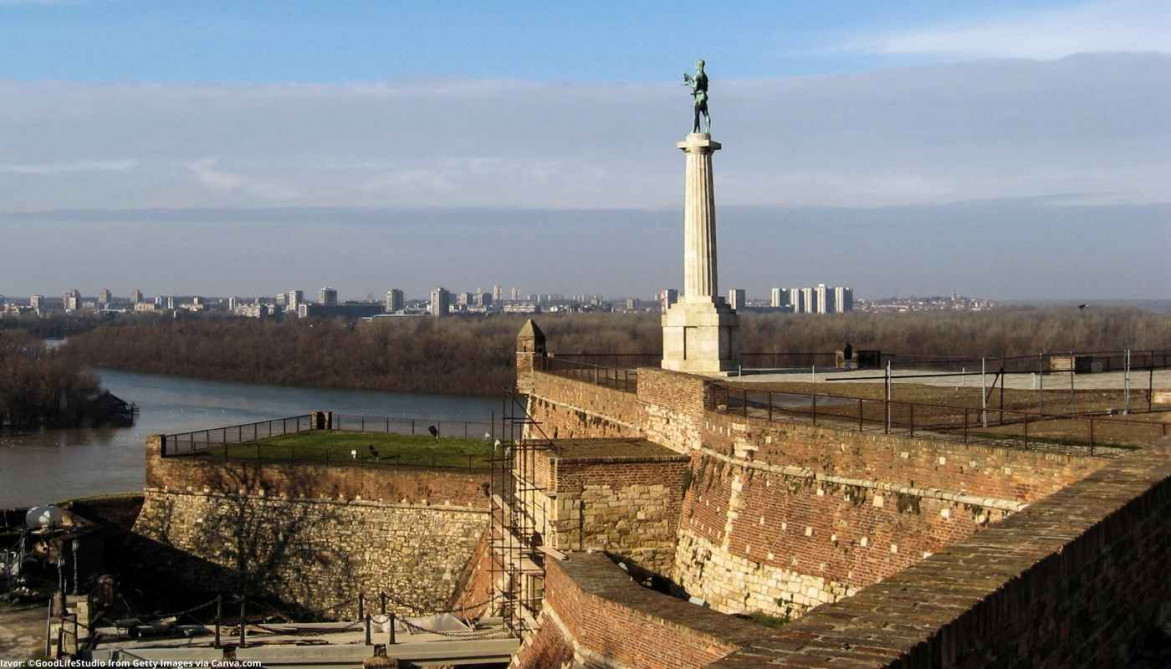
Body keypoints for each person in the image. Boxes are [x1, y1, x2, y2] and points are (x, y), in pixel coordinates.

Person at [683, 59, 711, 134]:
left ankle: (694, 130)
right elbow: (706, 88)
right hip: (704, 95)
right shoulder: (705, 77)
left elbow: (695, 87)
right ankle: (708, 130)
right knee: (706, 114)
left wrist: (688, 84)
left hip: (699, 96)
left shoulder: (697, 76)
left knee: (696, 114)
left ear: (698, 66)